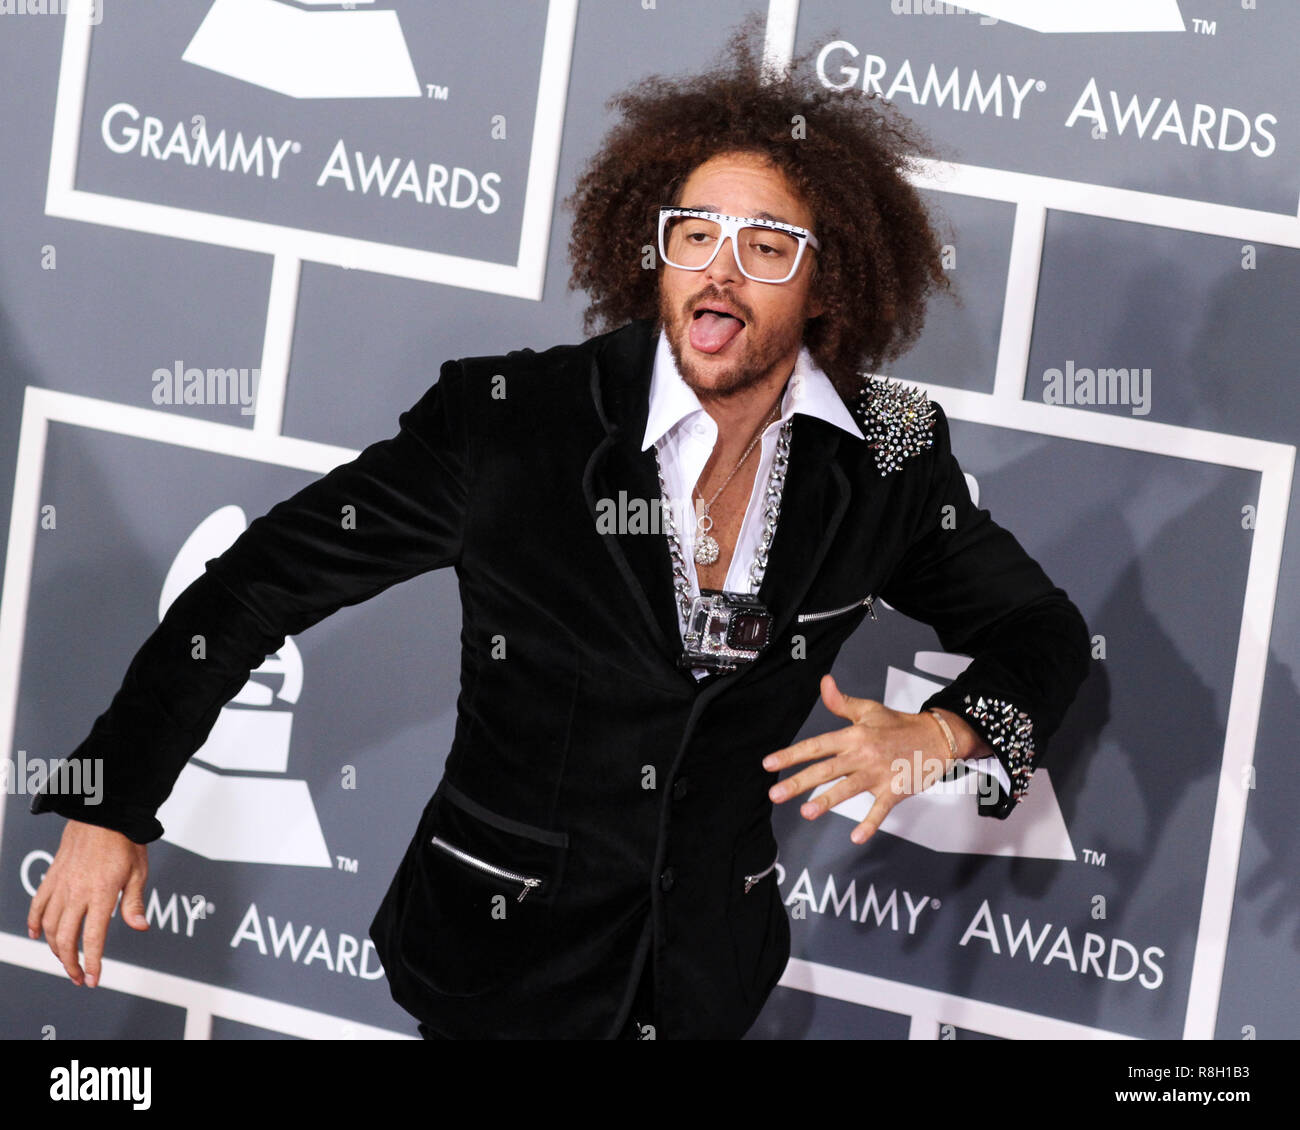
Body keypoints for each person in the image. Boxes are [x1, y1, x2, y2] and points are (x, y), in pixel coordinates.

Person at [26, 21, 1090, 1039]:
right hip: (500, 968)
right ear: (654, 251)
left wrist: (949, 732)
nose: (720, 269)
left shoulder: (890, 446)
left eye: (766, 245)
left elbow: (1040, 627)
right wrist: (111, 798)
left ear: (829, 284)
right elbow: (256, 582)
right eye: (694, 235)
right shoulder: (510, 424)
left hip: (701, 977)